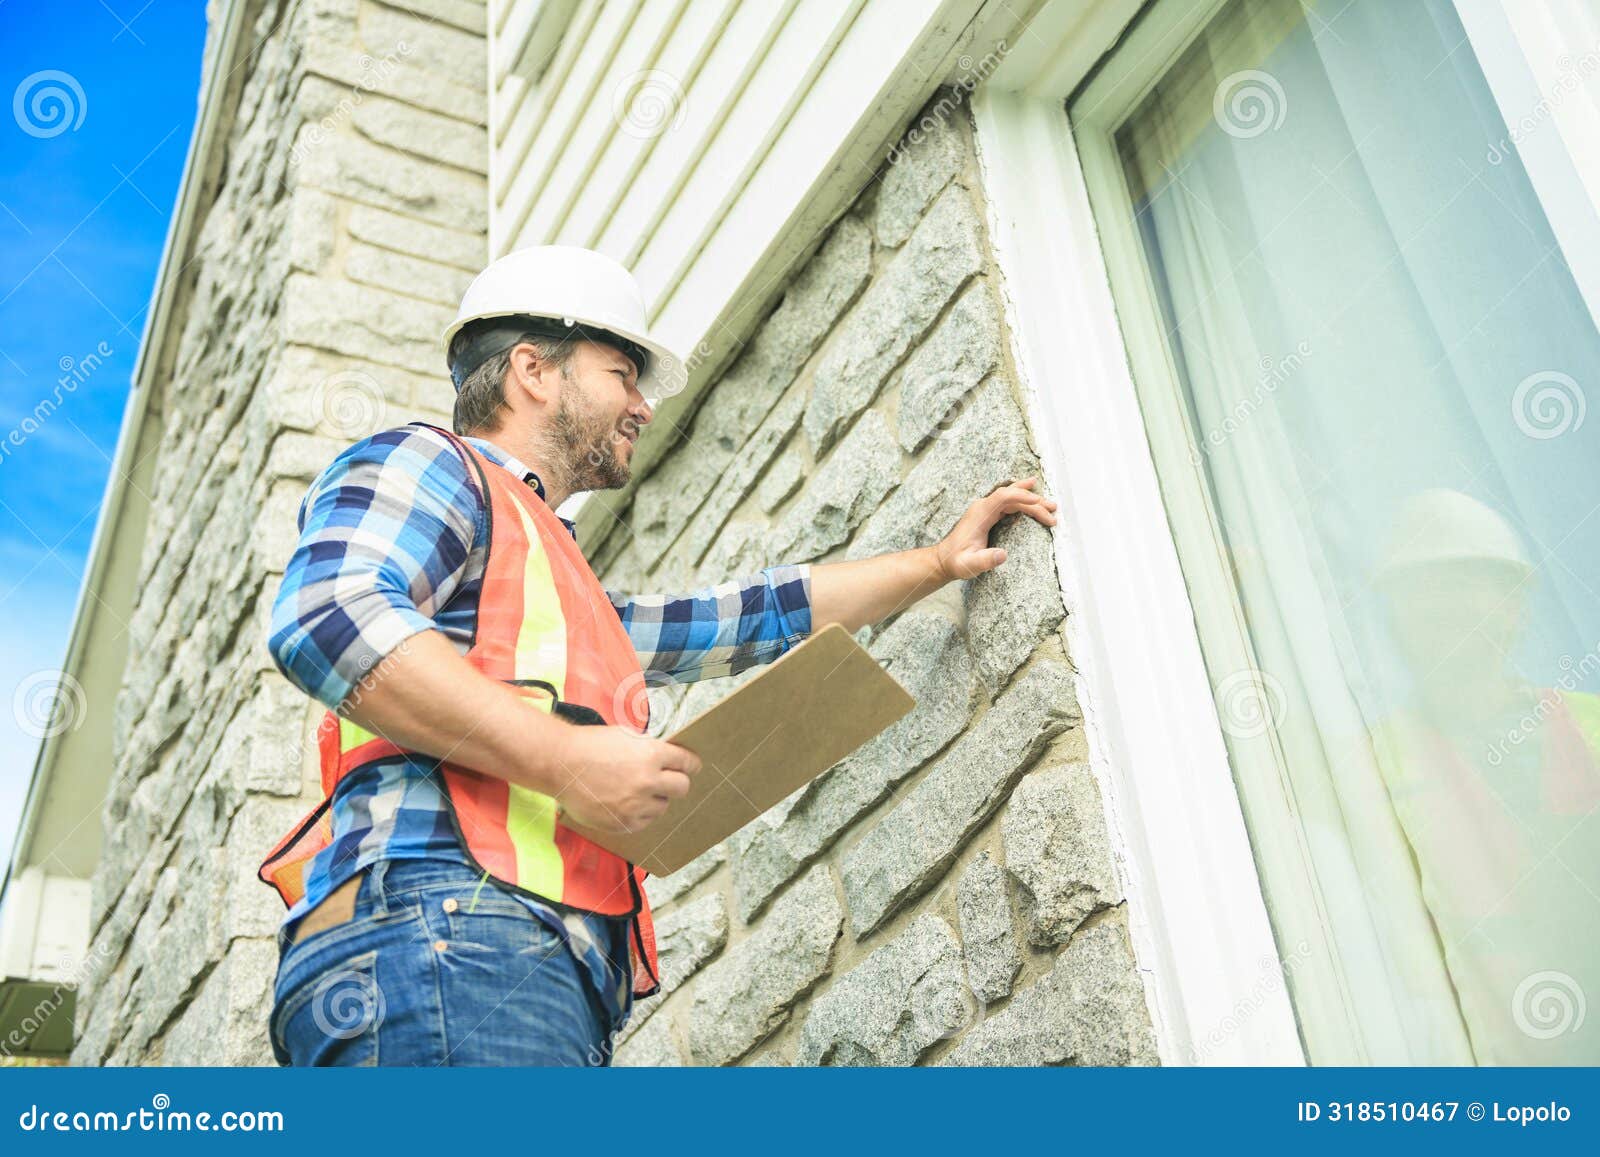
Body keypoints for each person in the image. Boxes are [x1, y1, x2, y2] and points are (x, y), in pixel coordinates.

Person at [260, 245, 1059, 1066]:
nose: (642, 405)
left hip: (496, 958)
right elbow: (326, 615)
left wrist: (934, 563)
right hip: (450, 936)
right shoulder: (431, 463)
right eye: (622, 373)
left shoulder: (549, 575)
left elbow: (743, 618)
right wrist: (569, 758)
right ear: (533, 370)